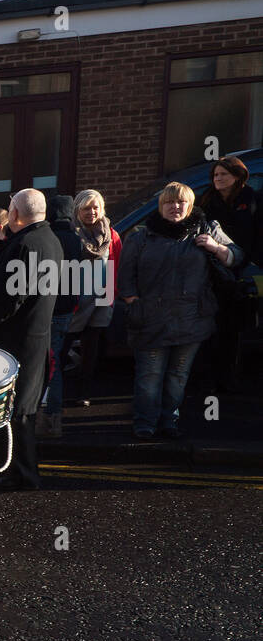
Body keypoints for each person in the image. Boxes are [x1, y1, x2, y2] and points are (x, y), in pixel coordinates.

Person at [118, 182, 241, 439]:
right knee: (149, 375)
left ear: (190, 205)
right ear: (161, 206)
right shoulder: (141, 236)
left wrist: (216, 247)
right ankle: (145, 423)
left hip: (191, 319)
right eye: (169, 202)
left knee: (178, 375)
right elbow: (125, 277)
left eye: (181, 202)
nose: (175, 207)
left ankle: (168, 421)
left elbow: (236, 256)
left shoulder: (207, 229)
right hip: (151, 318)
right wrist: (133, 302)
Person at [0, 188, 61, 489]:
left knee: (18, 409)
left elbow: (13, 298)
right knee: (22, 408)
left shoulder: (28, 243)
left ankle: (23, 473)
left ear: (15, 215)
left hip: (18, 339)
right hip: (33, 335)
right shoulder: (48, 239)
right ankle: (19, 469)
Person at [196, 156, 257, 391]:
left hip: (243, 269)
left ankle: (228, 378)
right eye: (215, 175)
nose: (218, 179)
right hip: (214, 270)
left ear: (237, 176)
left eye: (223, 174)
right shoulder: (208, 200)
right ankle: (207, 376)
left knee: (233, 328)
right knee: (212, 324)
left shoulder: (251, 199)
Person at [39, 194, 87, 439]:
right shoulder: (77, 240)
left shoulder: (47, 238)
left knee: (42, 364)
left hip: (46, 309)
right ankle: (55, 419)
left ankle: (41, 418)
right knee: (55, 362)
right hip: (67, 309)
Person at [67, 189, 122, 390]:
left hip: (102, 294)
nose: (91, 212)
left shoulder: (111, 234)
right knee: (66, 342)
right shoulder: (71, 234)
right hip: (77, 295)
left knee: (92, 346)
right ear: (77, 210)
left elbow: (116, 264)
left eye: (95, 207)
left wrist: (111, 293)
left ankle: (85, 389)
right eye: (86, 208)